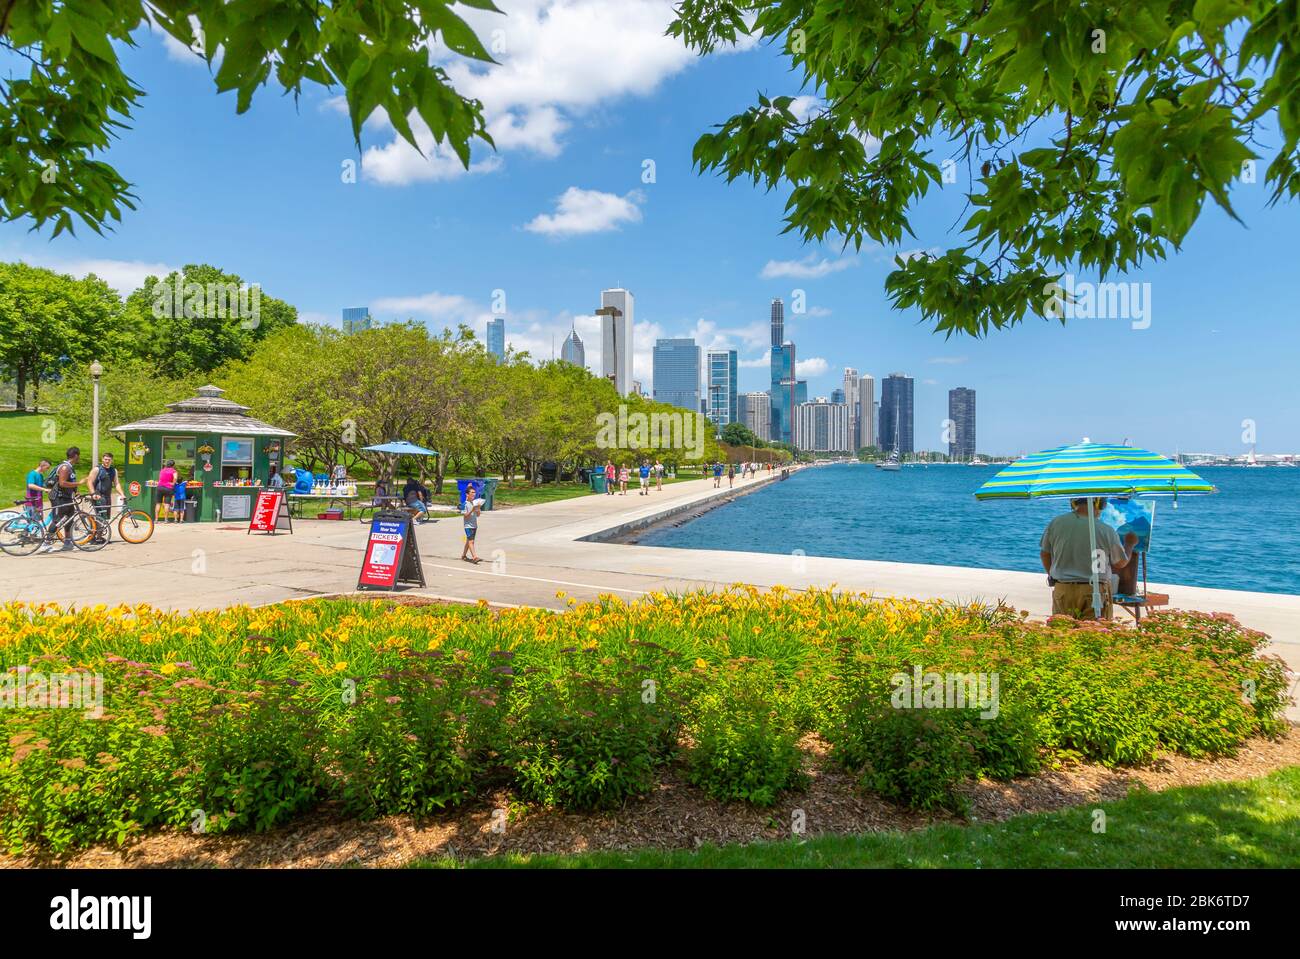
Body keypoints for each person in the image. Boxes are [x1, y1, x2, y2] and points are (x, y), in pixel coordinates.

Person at [1040, 497, 1138, 620]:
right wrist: (1129, 545)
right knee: (1094, 634)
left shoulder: (1056, 523)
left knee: (1062, 632)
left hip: (1063, 589)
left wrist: (1052, 575)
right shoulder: (1106, 530)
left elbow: (1045, 554)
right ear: (1099, 504)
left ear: (1073, 503)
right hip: (1094, 590)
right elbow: (1120, 562)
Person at [42, 447, 81, 552]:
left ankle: (68, 542)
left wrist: (76, 491)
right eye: (79, 456)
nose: (79, 458)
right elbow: (62, 483)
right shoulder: (65, 467)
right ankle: (46, 543)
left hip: (67, 497)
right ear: (76, 456)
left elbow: (71, 480)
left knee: (69, 519)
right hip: (59, 497)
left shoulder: (70, 467)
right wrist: (79, 483)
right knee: (57, 520)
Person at [86, 452, 124, 541]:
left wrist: (122, 494)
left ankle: (98, 536)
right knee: (99, 516)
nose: (107, 461)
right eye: (105, 459)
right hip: (98, 496)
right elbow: (89, 481)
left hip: (107, 496)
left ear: (111, 460)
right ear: (102, 459)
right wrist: (93, 493)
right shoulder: (97, 469)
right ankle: (94, 536)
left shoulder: (113, 470)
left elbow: (117, 483)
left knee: (104, 517)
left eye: (109, 460)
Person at [461, 484, 484, 564]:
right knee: (471, 542)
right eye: (472, 492)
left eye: (474, 492)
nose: (474, 494)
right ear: (467, 494)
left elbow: (478, 515)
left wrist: (478, 509)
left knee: (468, 541)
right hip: (468, 526)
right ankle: (475, 557)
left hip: (474, 525)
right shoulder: (464, 504)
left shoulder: (474, 503)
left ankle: (463, 555)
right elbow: (465, 516)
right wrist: (472, 510)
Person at [24, 457, 50, 521]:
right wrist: (44, 489)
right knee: (33, 522)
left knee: (38, 521)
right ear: (42, 466)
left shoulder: (40, 475)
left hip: (38, 501)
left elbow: (40, 486)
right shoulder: (32, 474)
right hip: (32, 502)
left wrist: (47, 488)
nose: (47, 470)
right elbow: (30, 485)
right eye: (47, 468)